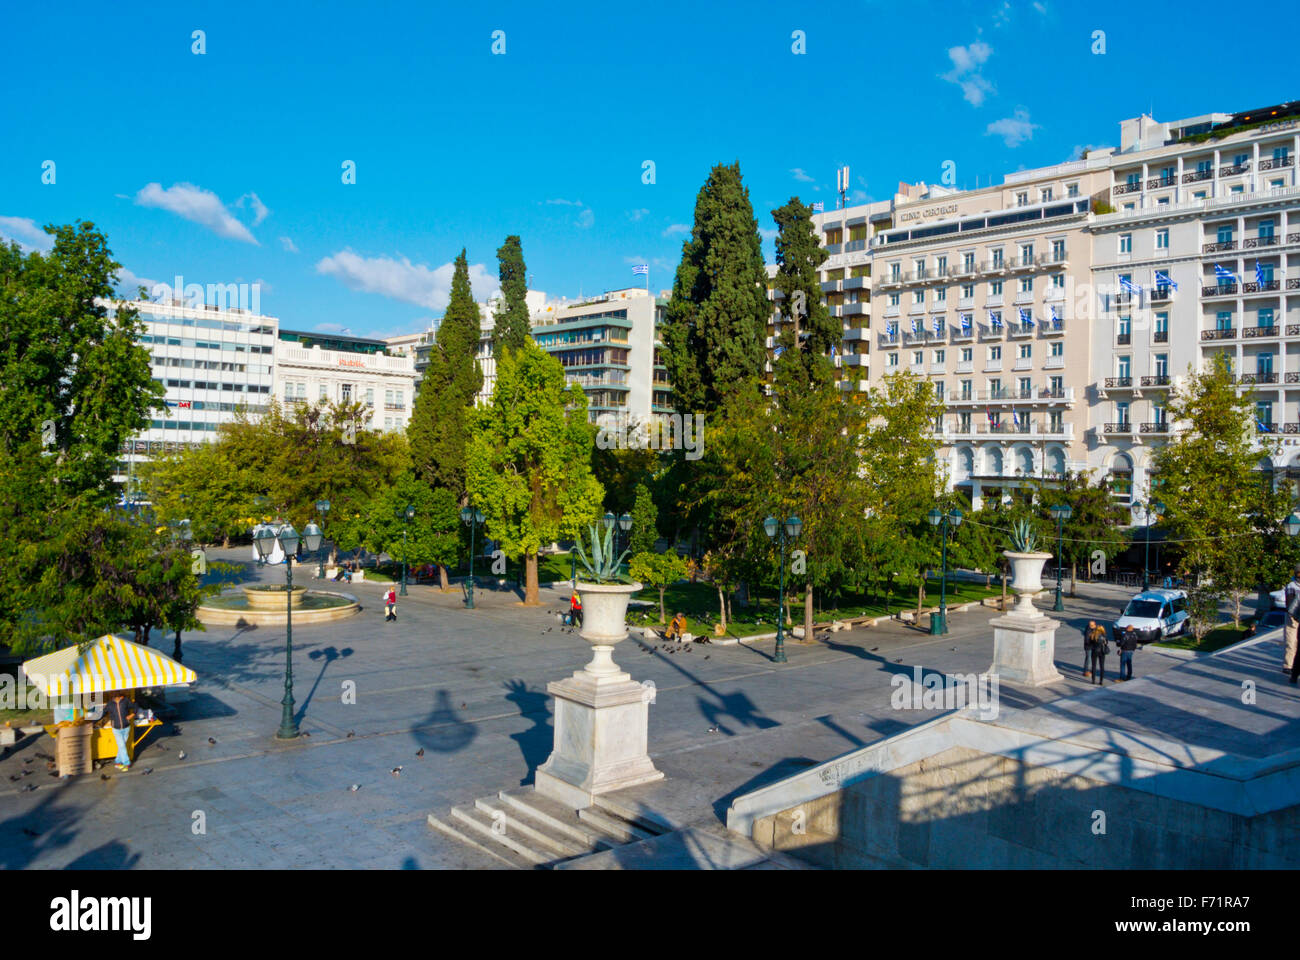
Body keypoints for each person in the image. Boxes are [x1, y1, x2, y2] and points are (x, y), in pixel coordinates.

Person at [106, 691, 135, 771]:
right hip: (116, 729)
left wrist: (132, 715)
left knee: (122, 746)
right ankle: (127, 763)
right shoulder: (110, 704)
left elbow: (136, 706)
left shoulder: (125, 701)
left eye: (119, 698)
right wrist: (92, 721)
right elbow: (103, 713)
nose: (118, 700)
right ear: (113, 698)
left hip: (126, 727)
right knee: (122, 746)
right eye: (116, 698)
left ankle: (118, 761)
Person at [1285, 565, 1300, 674]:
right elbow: (1290, 604)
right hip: (1293, 617)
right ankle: (1288, 666)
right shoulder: (1291, 586)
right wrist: (1295, 617)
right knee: (1291, 642)